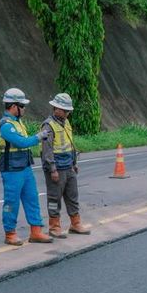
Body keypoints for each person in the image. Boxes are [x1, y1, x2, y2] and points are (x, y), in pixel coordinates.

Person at [0, 88, 53, 245]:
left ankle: (36, 231)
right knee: (11, 202)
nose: (24, 109)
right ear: (14, 106)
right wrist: (38, 137)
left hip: (25, 167)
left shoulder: (18, 123)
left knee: (32, 199)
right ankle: (10, 233)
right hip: (11, 170)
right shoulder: (6, 125)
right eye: (22, 106)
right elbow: (21, 142)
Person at [41, 93, 89, 239]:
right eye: (64, 110)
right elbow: (47, 150)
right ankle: (54, 226)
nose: (67, 113)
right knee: (54, 198)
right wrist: (52, 169)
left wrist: (74, 163)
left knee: (72, 196)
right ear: (55, 108)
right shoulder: (48, 125)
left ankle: (75, 223)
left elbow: (69, 144)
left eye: (68, 111)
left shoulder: (66, 123)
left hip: (68, 166)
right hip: (56, 168)